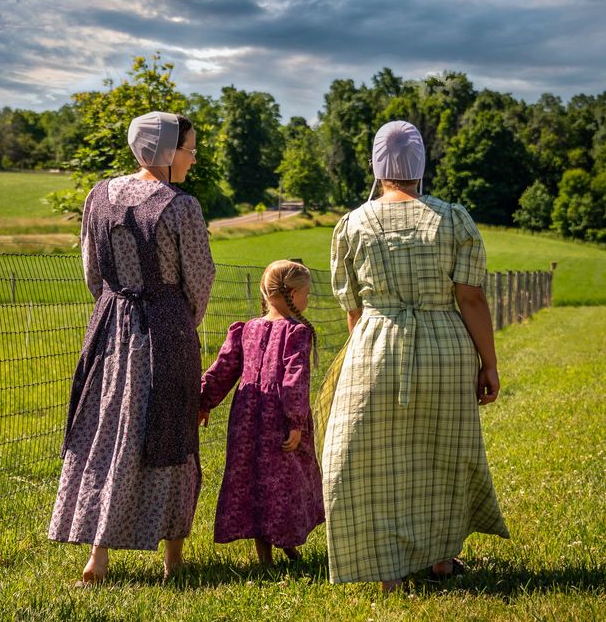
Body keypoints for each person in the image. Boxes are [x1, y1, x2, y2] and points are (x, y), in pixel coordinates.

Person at [323, 120, 509, 591]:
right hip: (446, 346)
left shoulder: (353, 223)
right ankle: (443, 559)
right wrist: (488, 362)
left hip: (376, 345)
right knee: (442, 452)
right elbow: (470, 297)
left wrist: (368, 343)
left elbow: (352, 309)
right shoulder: (454, 218)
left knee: (370, 459)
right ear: (421, 165)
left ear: (375, 165)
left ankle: (387, 572)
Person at [48, 111, 216, 585]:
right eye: (189, 149)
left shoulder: (97, 195)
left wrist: (114, 306)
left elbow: (91, 271)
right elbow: (199, 280)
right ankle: (173, 559)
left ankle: (97, 559)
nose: (192, 158)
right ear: (165, 152)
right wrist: (180, 320)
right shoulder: (182, 206)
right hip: (165, 328)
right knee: (170, 432)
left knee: (107, 431)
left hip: (108, 326)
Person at [198, 260, 324, 564]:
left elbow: (224, 368)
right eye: (306, 293)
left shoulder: (249, 328)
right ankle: (283, 541)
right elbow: (295, 378)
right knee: (282, 480)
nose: (308, 299)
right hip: (278, 419)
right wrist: (295, 421)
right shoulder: (297, 332)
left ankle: (269, 552)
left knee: (254, 479)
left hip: (247, 416)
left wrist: (205, 400)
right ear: (293, 293)